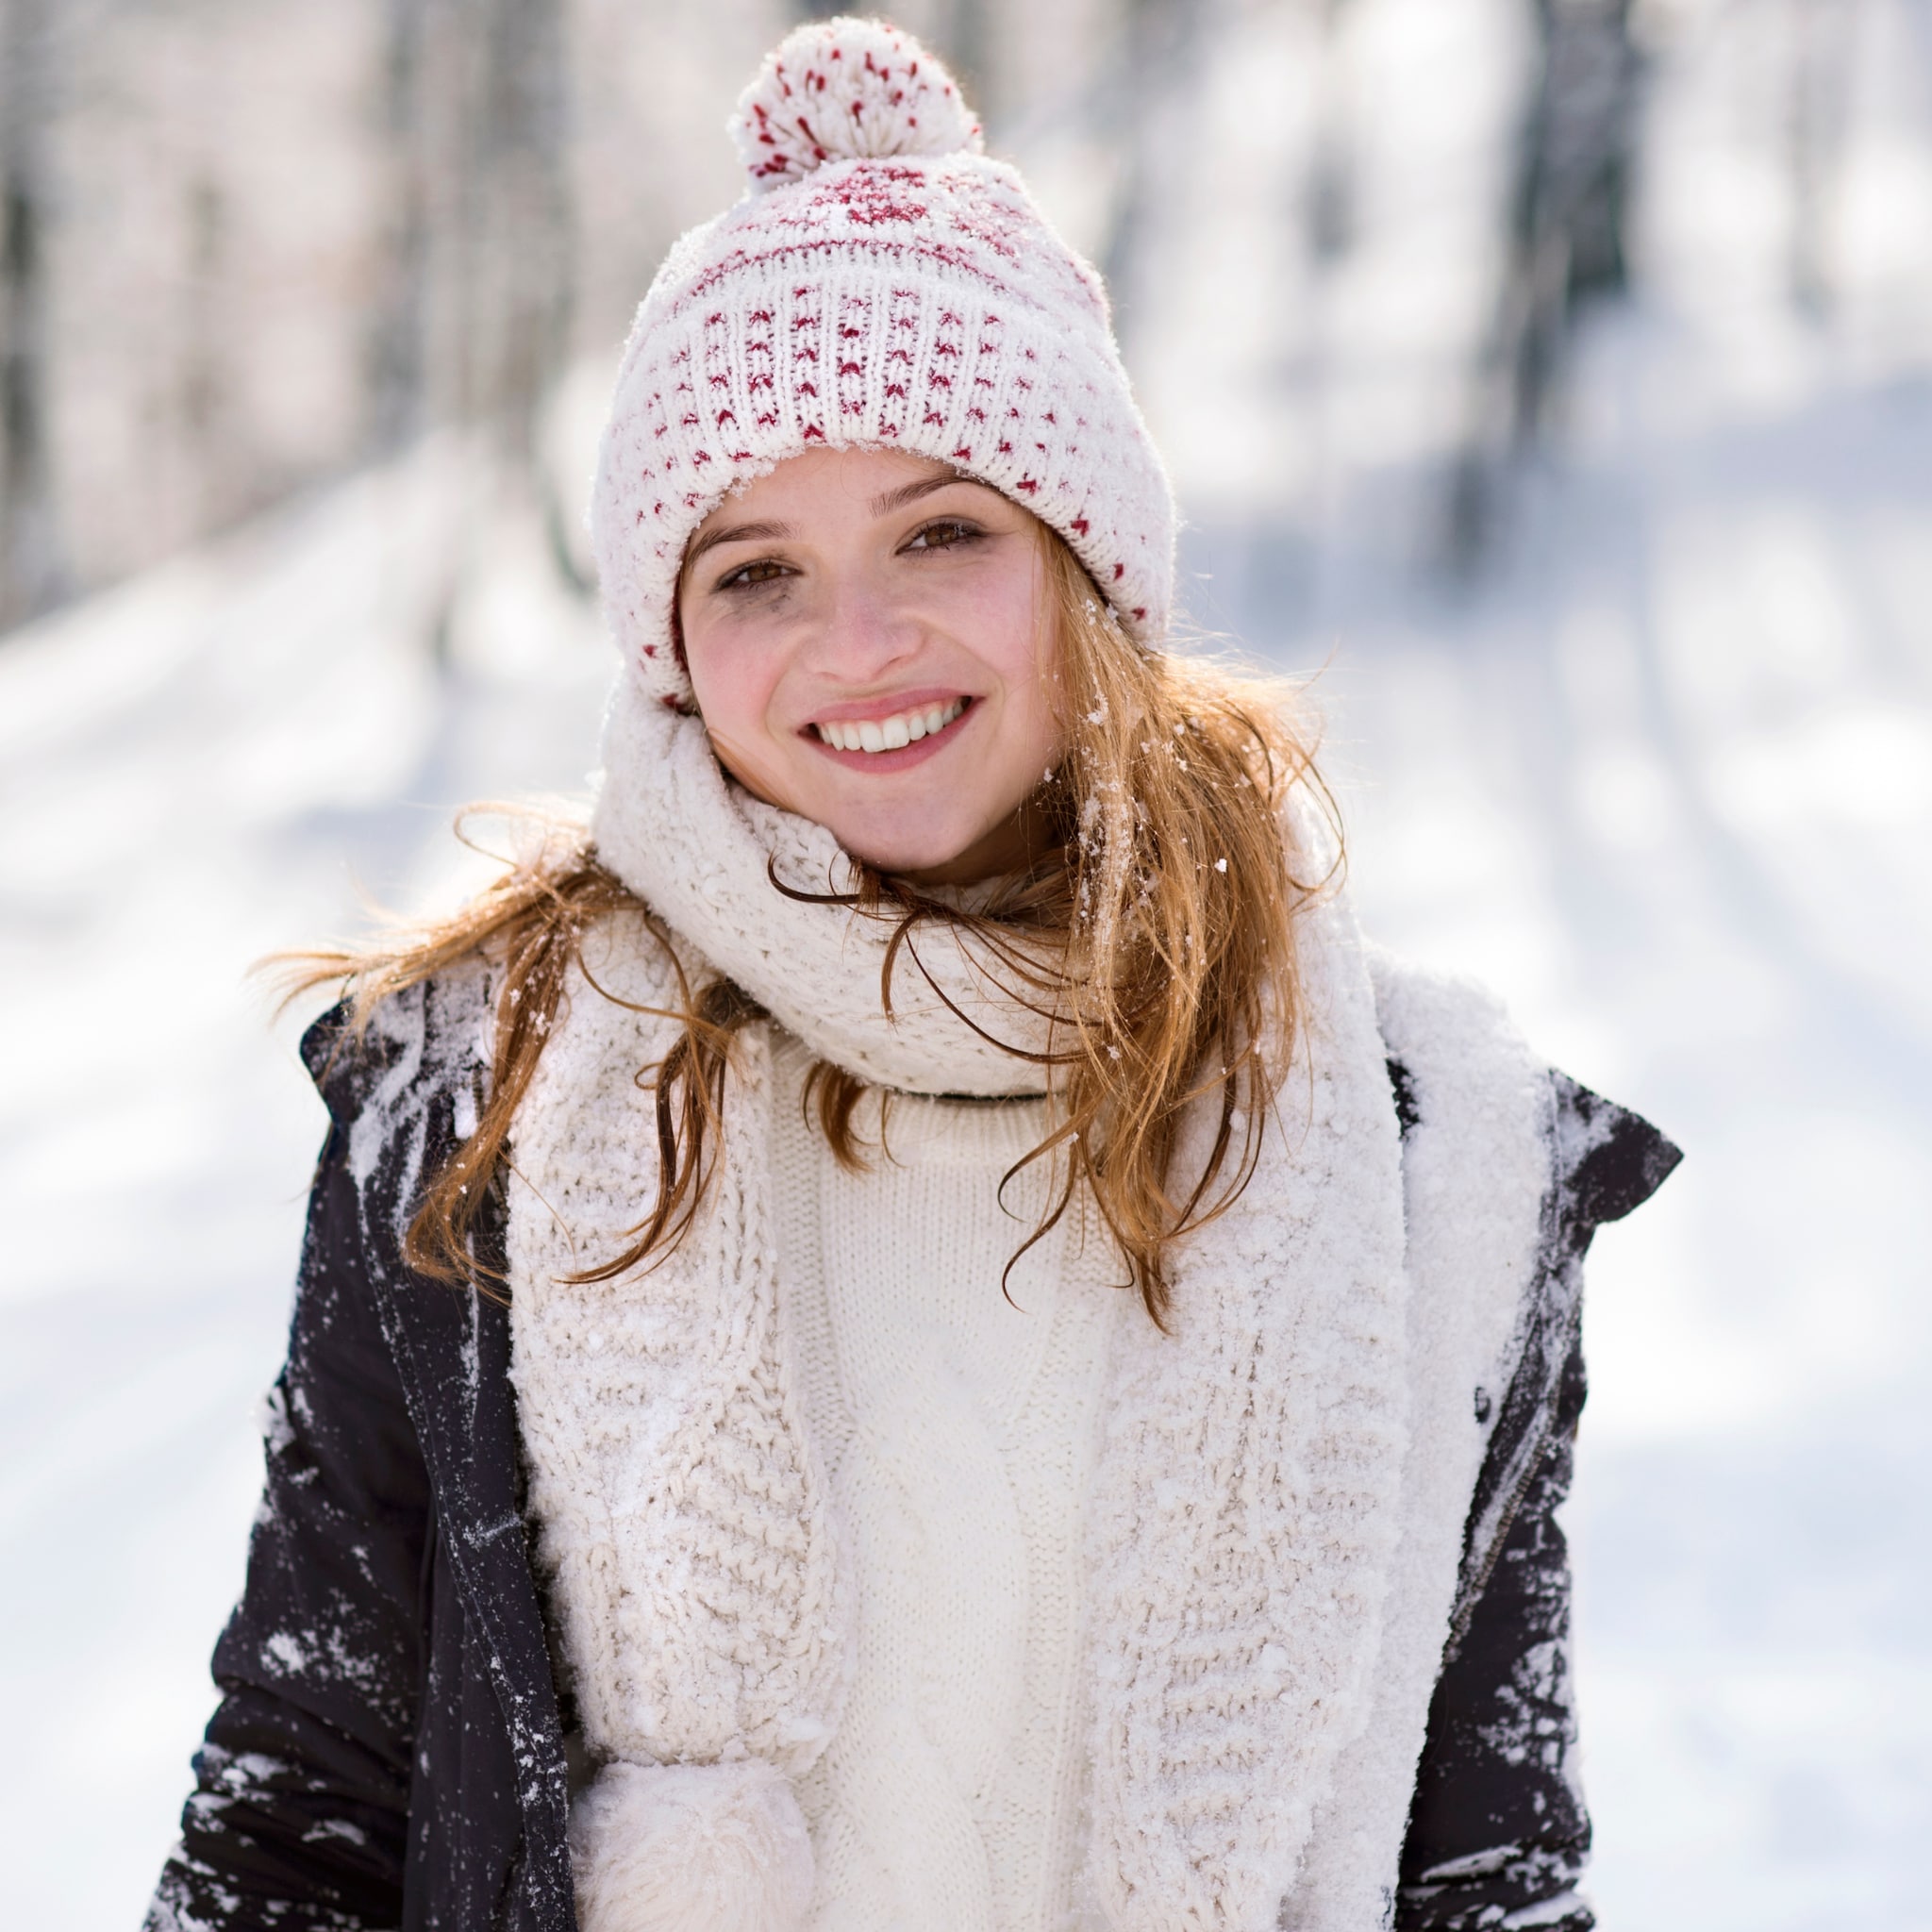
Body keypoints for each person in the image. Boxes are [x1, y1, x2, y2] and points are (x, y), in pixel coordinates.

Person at [144, 18, 1678, 1932]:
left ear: (1084, 573)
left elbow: (1486, 1878)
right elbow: (306, 1804)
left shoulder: (1424, 1160)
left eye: (941, 530)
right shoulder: (491, 1102)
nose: (857, 641)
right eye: (754, 570)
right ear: (669, 647)